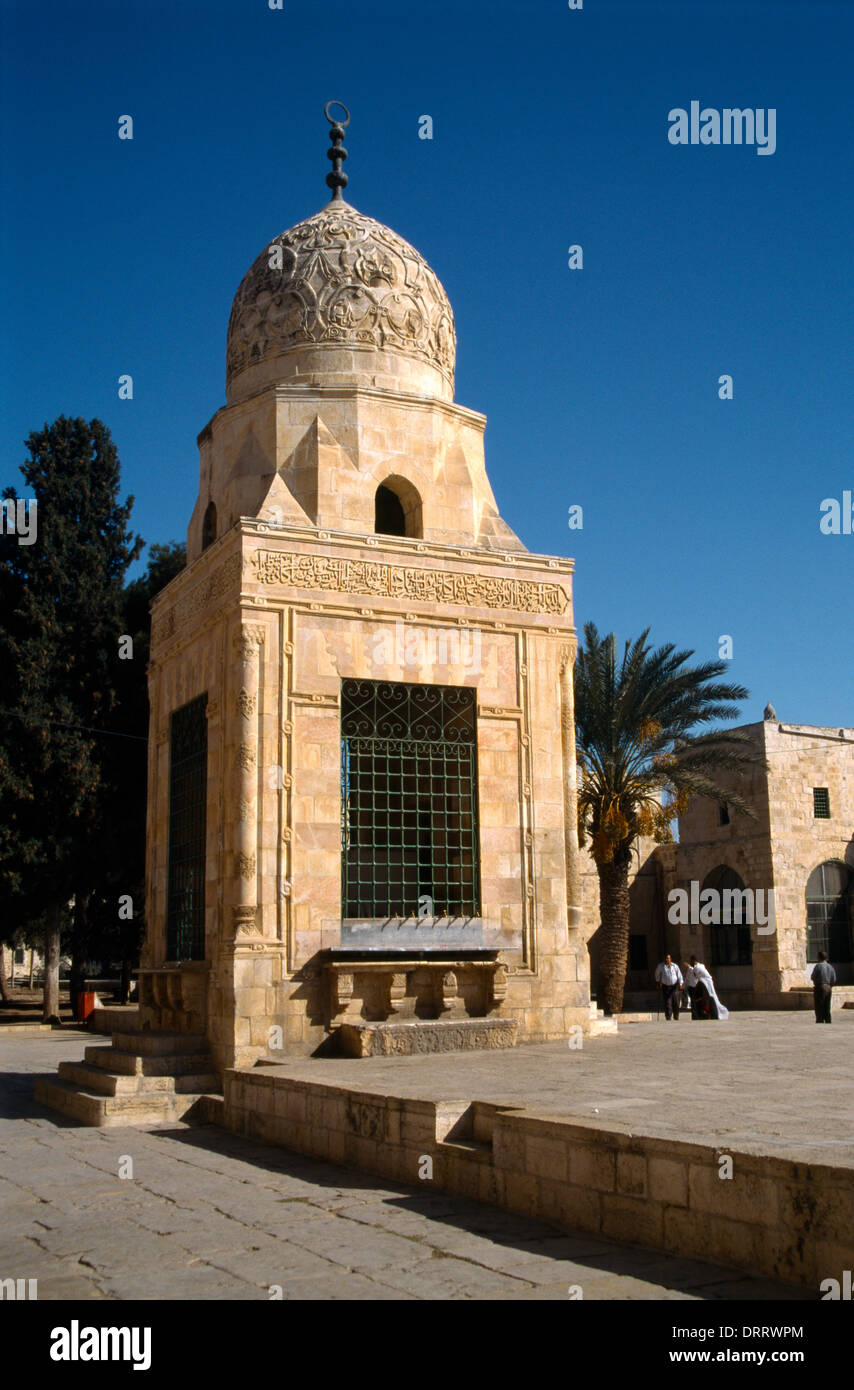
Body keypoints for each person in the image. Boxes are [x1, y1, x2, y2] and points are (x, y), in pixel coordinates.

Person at [654, 954, 683, 1021]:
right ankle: (668, 1016)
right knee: (668, 1002)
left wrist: (680, 984)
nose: (667, 959)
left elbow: (679, 975)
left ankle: (676, 1016)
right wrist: (658, 982)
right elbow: (657, 974)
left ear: (671, 959)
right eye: (666, 958)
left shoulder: (675, 966)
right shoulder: (660, 966)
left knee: (675, 1002)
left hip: (674, 986)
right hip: (665, 986)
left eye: (668, 958)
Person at [810, 950, 836, 1024]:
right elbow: (834, 979)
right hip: (828, 988)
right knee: (827, 1006)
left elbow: (813, 977)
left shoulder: (818, 966)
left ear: (819, 958)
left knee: (819, 1006)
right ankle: (828, 1020)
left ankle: (820, 1020)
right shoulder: (830, 967)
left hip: (819, 987)